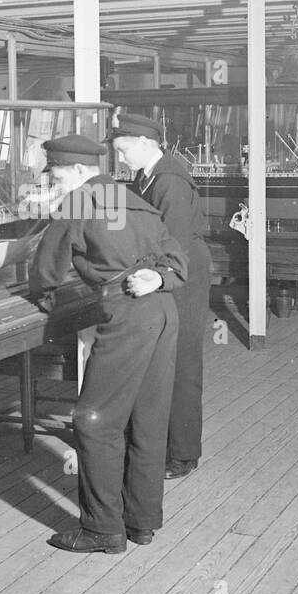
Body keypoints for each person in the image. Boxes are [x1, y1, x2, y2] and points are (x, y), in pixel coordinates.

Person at [28, 133, 188, 554]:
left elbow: (47, 264)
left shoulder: (80, 200)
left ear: (80, 172)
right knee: (147, 419)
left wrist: (42, 296)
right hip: (164, 310)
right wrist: (160, 277)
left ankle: (102, 529)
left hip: (127, 315)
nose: (54, 183)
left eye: (57, 174)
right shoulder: (134, 199)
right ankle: (142, 521)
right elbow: (176, 257)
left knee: (92, 420)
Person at [109, 112, 213, 479]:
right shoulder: (149, 173)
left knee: (182, 362)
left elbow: (177, 239)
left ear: (143, 143)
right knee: (167, 362)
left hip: (184, 273)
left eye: (123, 151)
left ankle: (183, 454)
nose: (121, 159)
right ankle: (164, 444)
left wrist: (160, 277)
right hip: (174, 268)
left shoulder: (168, 179)